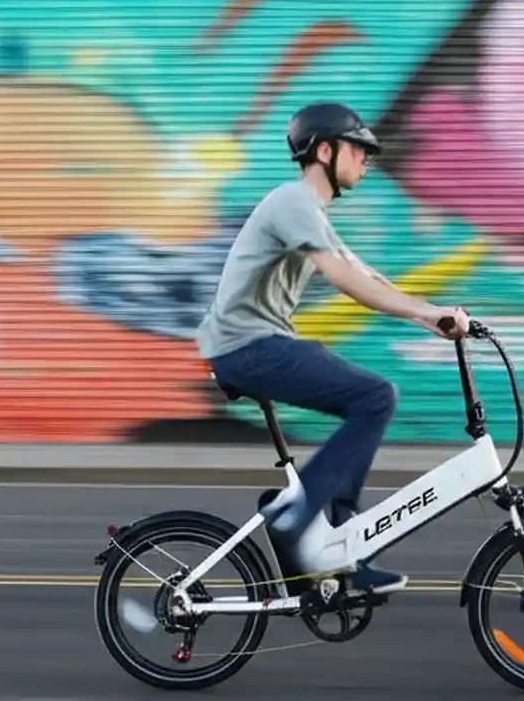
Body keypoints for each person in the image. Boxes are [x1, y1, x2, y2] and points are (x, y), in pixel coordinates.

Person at [194, 102, 469, 594]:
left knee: (371, 397)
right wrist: (424, 313)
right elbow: (343, 278)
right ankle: (298, 519)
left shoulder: (310, 213)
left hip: (256, 345)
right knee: (375, 397)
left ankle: (342, 544)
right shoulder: (292, 201)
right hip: (249, 347)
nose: (367, 160)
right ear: (325, 150)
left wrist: (433, 313)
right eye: (359, 149)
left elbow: (365, 273)